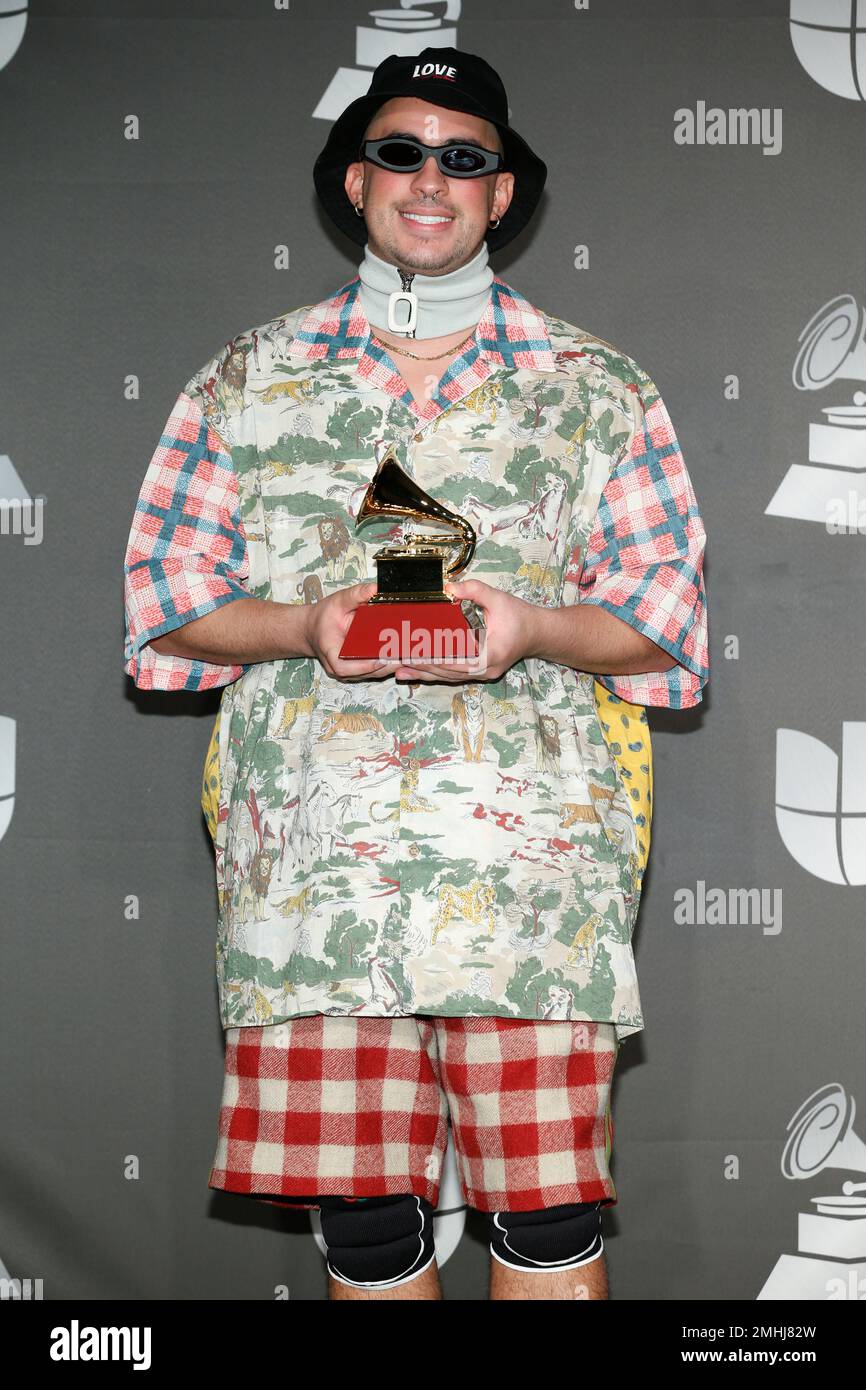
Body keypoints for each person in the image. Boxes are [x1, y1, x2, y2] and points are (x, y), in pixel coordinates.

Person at [122, 47, 708, 1300]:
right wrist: (301, 627)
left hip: (530, 887)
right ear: (354, 181)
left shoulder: (595, 387)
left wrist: (537, 629)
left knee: (549, 1232)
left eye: (463, 156)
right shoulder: (245, 379)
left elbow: (666, 629)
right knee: (372, 1241)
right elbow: (165, 614)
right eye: (399, 151)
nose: (428, 178)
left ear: (502, 192)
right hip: (315, 888)